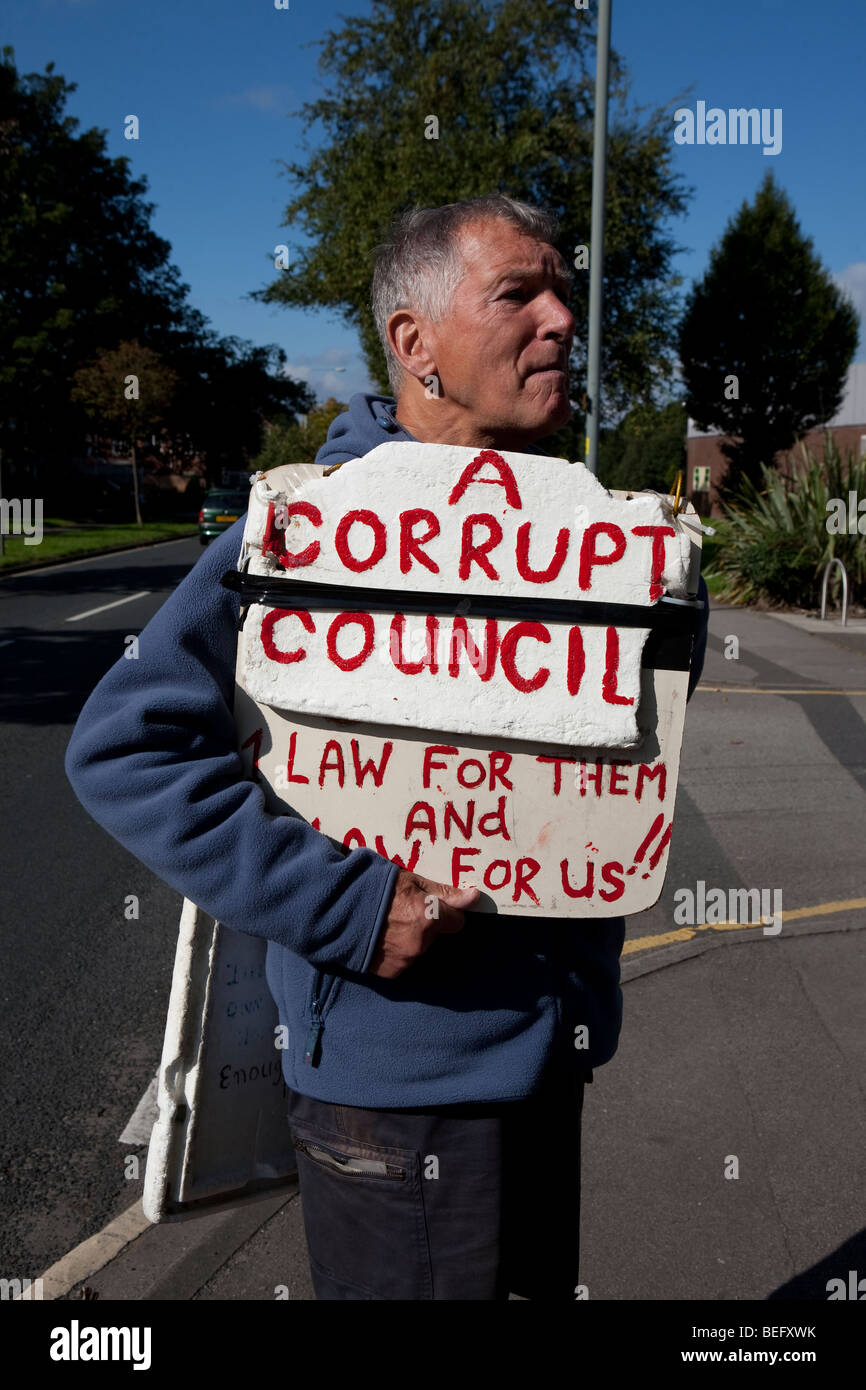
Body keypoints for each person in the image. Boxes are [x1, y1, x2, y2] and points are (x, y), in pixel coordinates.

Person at [65, 194, 709, 1301]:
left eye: (565, 292)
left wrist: (656, 604)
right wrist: (352, 907)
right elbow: (126, 745)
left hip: (548, 1056)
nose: (562, 317)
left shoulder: (588, 533)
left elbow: (621, 750)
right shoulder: (307, 531)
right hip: (394, 1094)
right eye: (518, 293)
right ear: (415, 345)